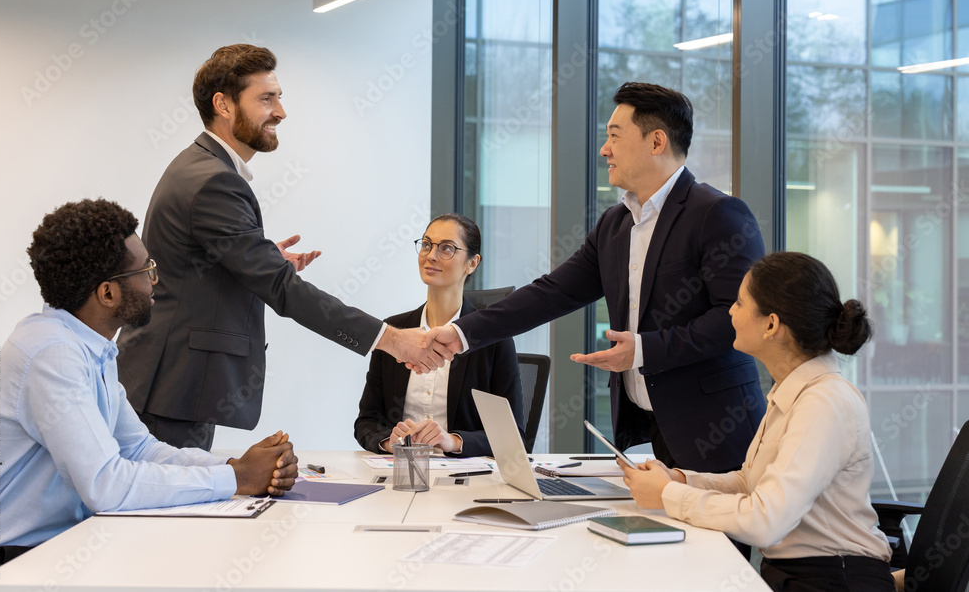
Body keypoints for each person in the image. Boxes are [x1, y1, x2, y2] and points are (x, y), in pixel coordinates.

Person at [116, 44, 450, 450]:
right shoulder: (214, 181)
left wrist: (258, 254)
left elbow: (200, 261)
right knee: (169, 492)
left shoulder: (200, 167)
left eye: (279, 97)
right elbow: (283, 289)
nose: (280, 112)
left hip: (168, 384)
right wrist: (392, 339)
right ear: (223, 105)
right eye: (266, 99)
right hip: (170, 387)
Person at [426, 82, 765, 473]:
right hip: (659, 431)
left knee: (716, 519)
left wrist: (643, 349)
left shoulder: (717, 214)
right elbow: (552, 293)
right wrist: (461, 333)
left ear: (656, 142)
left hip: (718, 429)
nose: (605, 149)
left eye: (615, 137)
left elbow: (736, 319)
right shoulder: (615, 224)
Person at [0, 199, 298, 566]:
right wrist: (238, 478)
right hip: (0, 564)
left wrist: (237, 467)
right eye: (146, 270)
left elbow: (140, 449)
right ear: (107, 293)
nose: (155, 280)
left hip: (53, 550)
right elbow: (105, 485)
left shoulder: (87, 345)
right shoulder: (52, 353)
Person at [621, 252, 893, 592]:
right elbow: (751, 483)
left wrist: (668, 495)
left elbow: (765, 520)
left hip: (833, 580)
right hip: (804, 574)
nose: (730, 312)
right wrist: (679, 479)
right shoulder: (795, 390)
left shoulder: (823, 403)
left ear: (771, 325)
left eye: (739, 302)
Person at [354, 214, 524, 457]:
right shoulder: (395, 332)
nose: (431, 255)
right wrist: (389, 442)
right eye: (426, 244)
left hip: (464, 475)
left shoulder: (493, 338)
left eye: (446, 248)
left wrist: (453, 441)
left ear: (472, 263)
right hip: (402, 469)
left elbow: (513, 437)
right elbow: (366, 422)